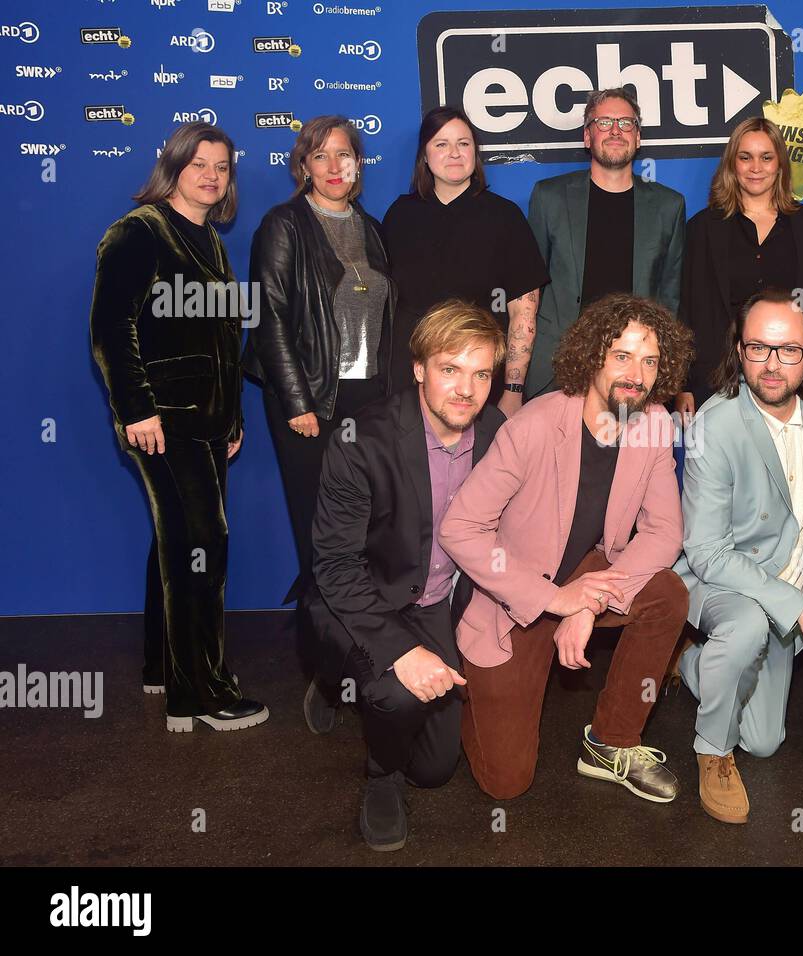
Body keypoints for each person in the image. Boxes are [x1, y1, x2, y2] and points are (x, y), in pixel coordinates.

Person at [439, 294, 693, 803]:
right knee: (506, 783)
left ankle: (611, 742)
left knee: (667, 593)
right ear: (593, 355)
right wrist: (556, 601)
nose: (636, 374)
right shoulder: (536, 423)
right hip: (515, 593)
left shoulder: (655, 422)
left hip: (588, 571)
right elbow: (460, 528)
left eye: (650, 361)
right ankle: (461, 693)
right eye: (621, 356)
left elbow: (665, 531)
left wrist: (588, 603)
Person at [306, 302, 506, 851]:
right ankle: (379, 774)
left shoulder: (495, 432)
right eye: (450, 369)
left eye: (480, 373)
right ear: (419, 368)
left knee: (438, 768)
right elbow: (337, 566)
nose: (465, 390)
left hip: (430, 600)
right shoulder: (360, 439)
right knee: (397, 694)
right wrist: (400, 652)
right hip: (356, 594)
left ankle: (358, 690)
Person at [90, 122, 267, 732]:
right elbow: (112, 329)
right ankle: (201, 693)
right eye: (199, 164)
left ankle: (161, 665)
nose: (212, 175)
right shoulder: (137, 233)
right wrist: (136, 408)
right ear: (173, 167)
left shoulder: (212, 241)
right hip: (160, 420)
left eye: (222, 166)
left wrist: (234, 414)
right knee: (201, 543)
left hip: (209, 422)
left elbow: (224, 337)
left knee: (176, 540)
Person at [675, 288, 803, 823]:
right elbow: (706, 551)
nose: (772, 365)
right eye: (758, 349)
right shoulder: (716, 422)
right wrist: (797, 608)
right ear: (739, 350)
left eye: (788, 350)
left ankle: (692, 664)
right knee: (748, 624)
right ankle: (713, 752)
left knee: (767, 742)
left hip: (793, 589)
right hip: (721, 582)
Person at [242, 115, 394, 680]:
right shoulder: (283, 225)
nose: (334, 167)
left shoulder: (372, 228)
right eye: (321, 156)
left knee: (366, 529)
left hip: (369, 401)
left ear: (358, 164)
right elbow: (271, 319)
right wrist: (296, 401)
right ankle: (322, 669)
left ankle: (361, 649)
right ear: (302, 165)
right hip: (311, 401)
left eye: (345, 155)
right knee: (319, 529)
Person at [382, 107, 548, 414]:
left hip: (482, 384)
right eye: (441, 144)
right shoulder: (399, 216)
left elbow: (524, 312)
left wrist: (513, 390)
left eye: (464, 143)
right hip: (410, 382)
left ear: (475, 152)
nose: (454, 153)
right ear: (425, 156)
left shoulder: (505, 217)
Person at [524, 88, 685, 398]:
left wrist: (672, 382)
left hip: (632, 371)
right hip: (556, 367)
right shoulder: (549, 198)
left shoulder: (669, 206)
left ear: (638, 138)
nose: (615, 130)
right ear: (587, 136)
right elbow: (528, 295)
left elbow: (670, 301)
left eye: (626, 123)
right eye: (604, 122)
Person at [676, 117, 803, 422]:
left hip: (791, 379)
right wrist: (683, 384)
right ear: (732, 164)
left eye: (766, 157)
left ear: (780, 165)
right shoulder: (703, 228)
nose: (755, 167)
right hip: (718, 380)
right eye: (745, 157)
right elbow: (687, 309)